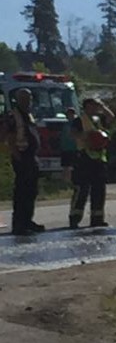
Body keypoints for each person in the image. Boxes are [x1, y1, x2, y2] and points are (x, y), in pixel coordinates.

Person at [69, 96, 114, 229]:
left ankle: (97, 218)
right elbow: (73, 134)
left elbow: (111, 117)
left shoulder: (98, 120)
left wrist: (103, 105)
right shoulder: (79, 120)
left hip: (99, 159)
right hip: (84, 158)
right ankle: (75, 218)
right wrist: (88, 137)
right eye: (93, 106)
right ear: (86, 107)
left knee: (99, 190)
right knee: (82, 189)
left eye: (96, 106)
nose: (95, 108)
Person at [4, 87, 45, 235]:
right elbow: (9, 136)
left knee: (32, 191)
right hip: (22, 158)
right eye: (24, 99)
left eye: (29, 99)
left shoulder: (29, 115)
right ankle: (19, 224)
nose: (28, 101)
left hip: (31, 157)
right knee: (22, 192)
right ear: (18, 100)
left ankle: (28, 220)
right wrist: (16, 154)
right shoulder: (13, 116)